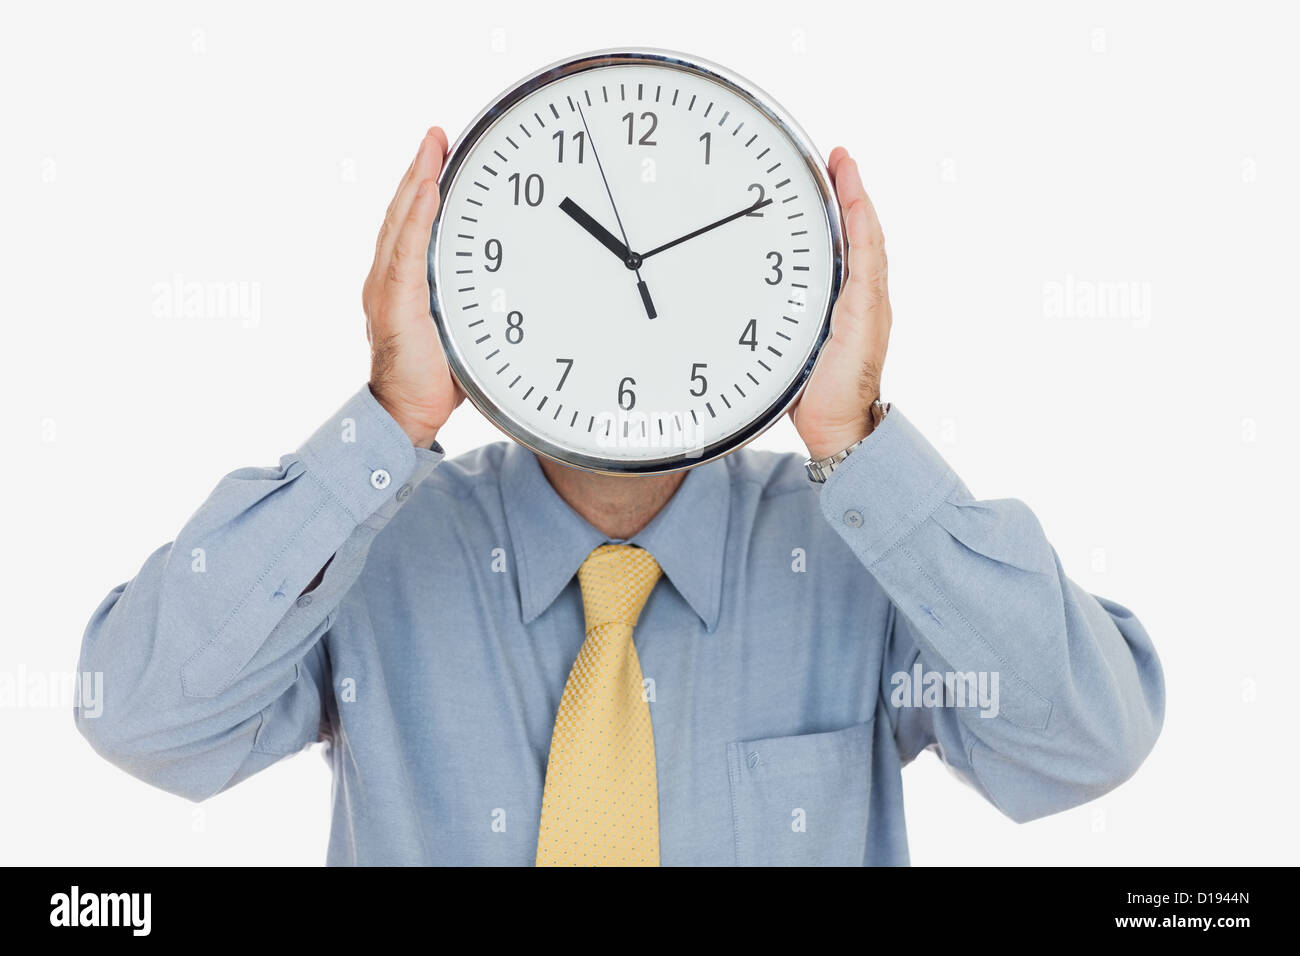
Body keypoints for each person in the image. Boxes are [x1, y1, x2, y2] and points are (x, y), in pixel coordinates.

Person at [74, 127, 1165, 866]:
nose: (630, 311)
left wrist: (858, 440)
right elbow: (142, 718)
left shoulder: (854, 554)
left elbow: (1084, 741)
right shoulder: (371, 550)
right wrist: (386, 419)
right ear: (475, 298)